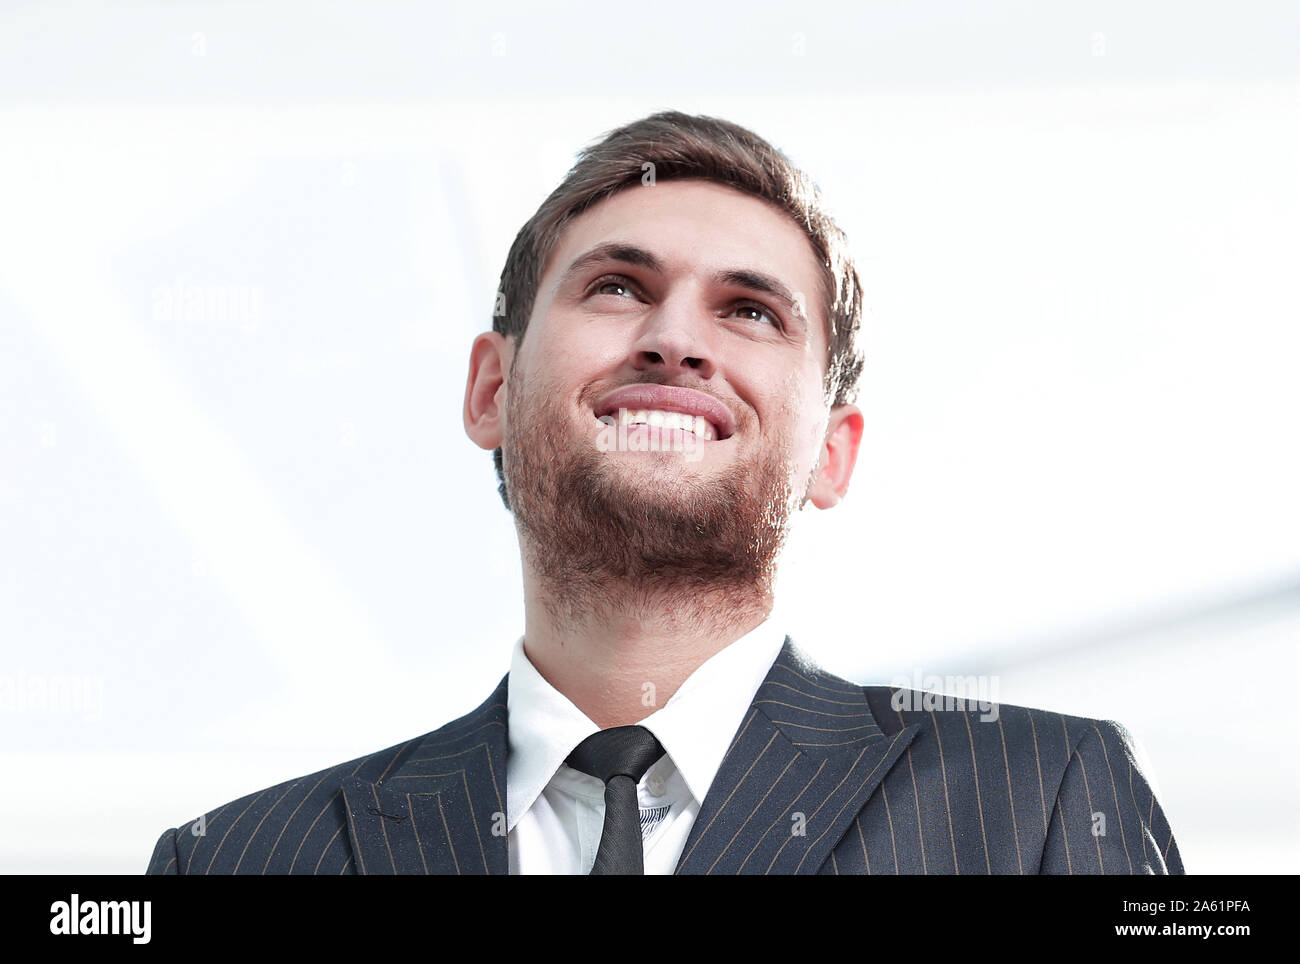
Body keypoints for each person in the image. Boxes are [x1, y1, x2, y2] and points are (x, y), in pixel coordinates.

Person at [146, 110, 1184, 875]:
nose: (674, 339)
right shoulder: (238, 861)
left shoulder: (1044, 797)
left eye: (749, 313)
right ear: (490, 390)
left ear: (833, 453)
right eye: (616, 287)